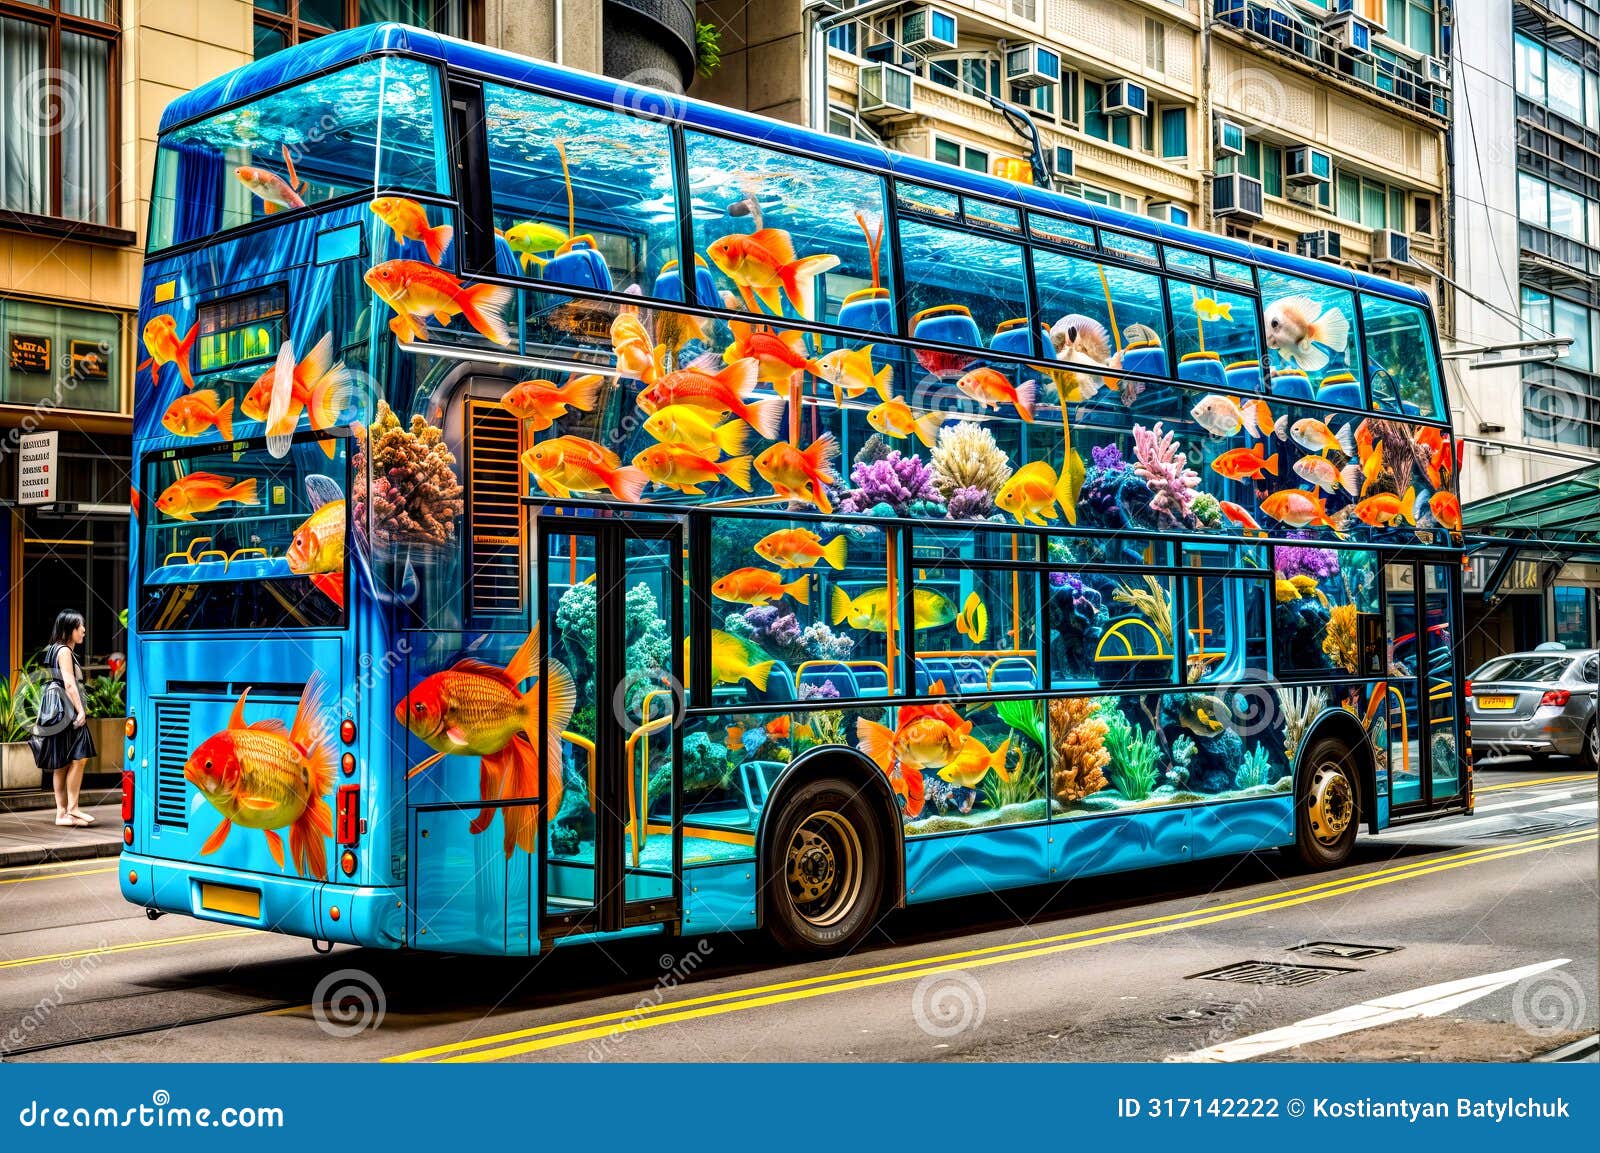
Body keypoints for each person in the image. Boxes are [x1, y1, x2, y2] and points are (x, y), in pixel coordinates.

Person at [43, 611, 97, 827]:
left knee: (62, 762)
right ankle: (71, 809)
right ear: (69, 629)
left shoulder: (55, 648)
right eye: (80, 626)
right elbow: (69, 683)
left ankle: (62, 813)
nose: (83, 630)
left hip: (55, 708)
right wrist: (80, 711)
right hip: (65, 708)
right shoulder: (64, 650)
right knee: (79, 756)